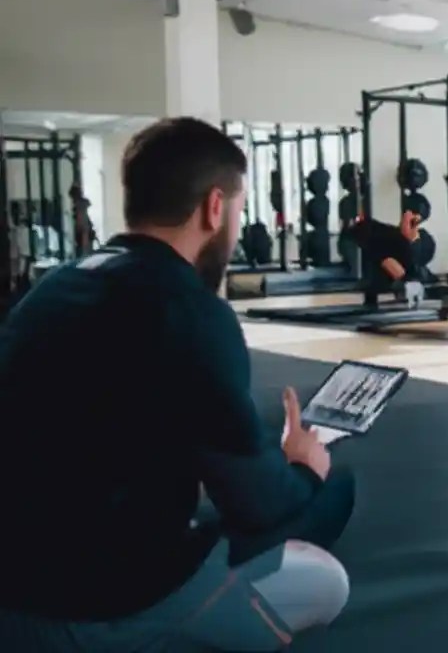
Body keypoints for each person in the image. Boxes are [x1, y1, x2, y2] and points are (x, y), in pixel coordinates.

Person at [0, 117, 355, 651]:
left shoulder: (57, 285)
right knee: (330, 551)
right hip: (93, 612)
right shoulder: (190, 309)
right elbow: (260, 507)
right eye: (236, 210)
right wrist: (306, 466)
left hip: (14, 587)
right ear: (215, 207)